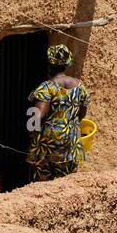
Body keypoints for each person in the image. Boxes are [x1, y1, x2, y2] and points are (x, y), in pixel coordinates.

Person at [27, 43, 90, 182]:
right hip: (71, 144)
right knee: (65, 184)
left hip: (48, 147)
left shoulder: (47, 87)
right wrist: (69, 124)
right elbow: (82, 113)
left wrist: (32, 133)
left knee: (41, 186)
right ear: (67, 64)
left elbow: (37, 114)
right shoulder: (80, 87)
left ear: (49, 64)